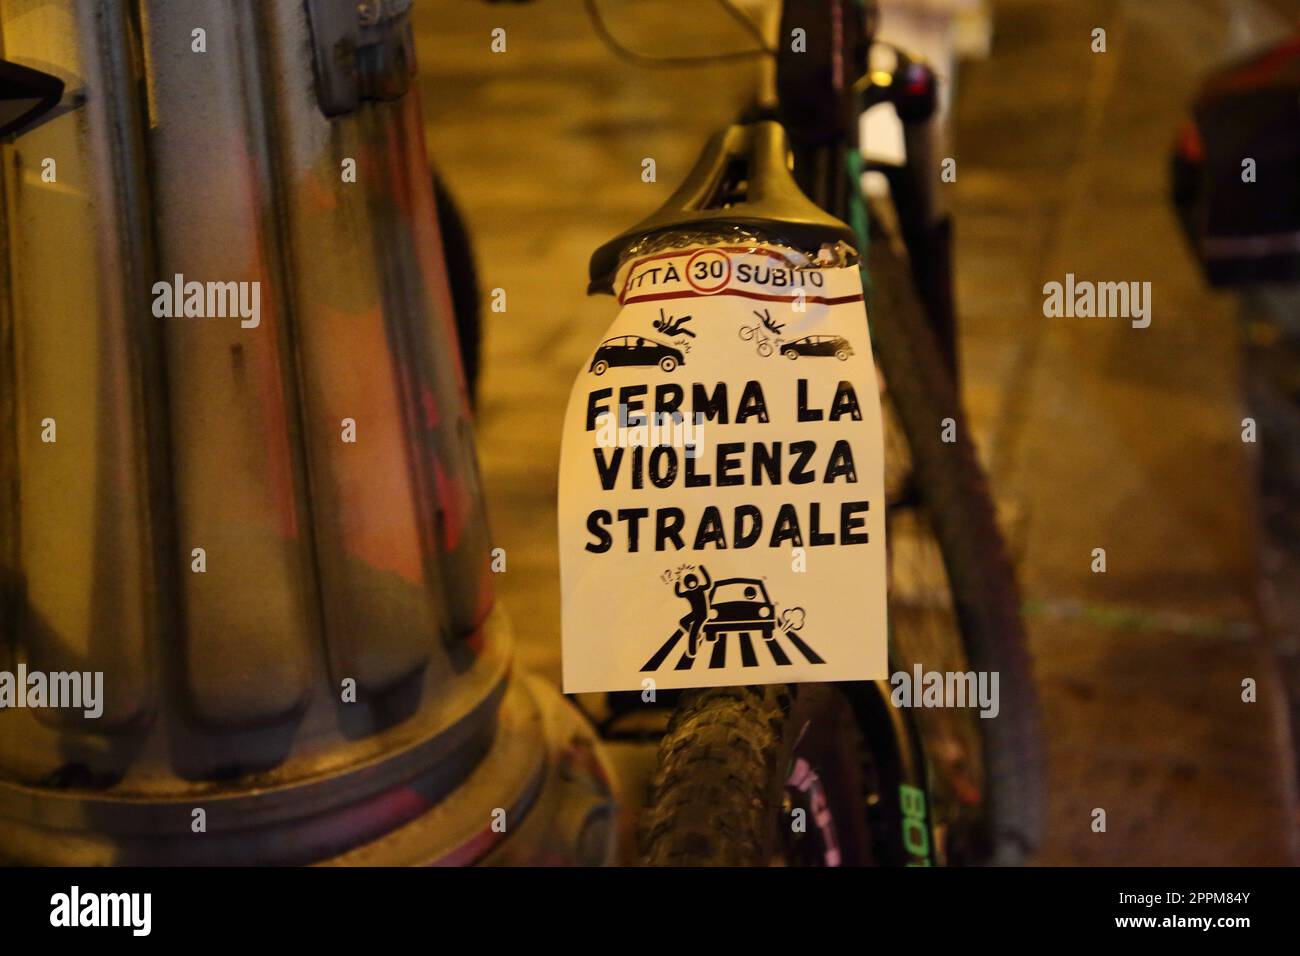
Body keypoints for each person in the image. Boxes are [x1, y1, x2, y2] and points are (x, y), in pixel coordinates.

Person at [675, 565, 712, 658]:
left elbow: (709, 584)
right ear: (687, 584)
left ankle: (692, 651)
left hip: (702, 614)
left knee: (693, 630)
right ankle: (698, 636)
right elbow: (678, 594)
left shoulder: (700, 588)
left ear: (696, 581)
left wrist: (702, 569)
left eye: (693, 582)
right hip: (695, 614)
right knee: (683, 622)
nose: (692, 584)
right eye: (690, 583)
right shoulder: (688, 593)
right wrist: (677, 582)